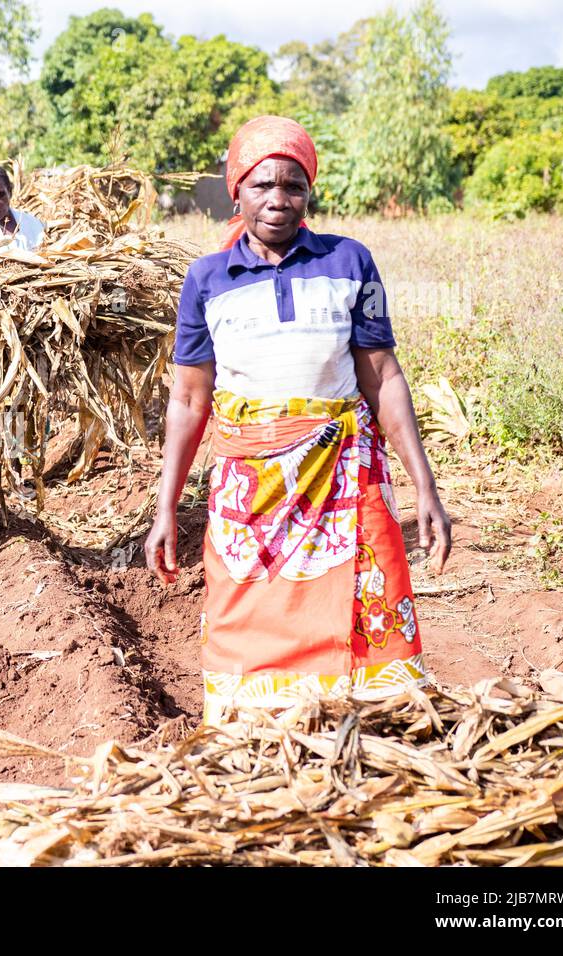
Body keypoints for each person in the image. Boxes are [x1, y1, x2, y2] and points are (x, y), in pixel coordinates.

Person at [142, 115, 452, 726]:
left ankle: (365, 743)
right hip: (249, 492)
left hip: (344, 481)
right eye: (262, 187)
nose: (278, 201)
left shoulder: (350, 262)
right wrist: (164, 509)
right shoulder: (207, 280)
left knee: (368, 634)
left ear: (309, 191)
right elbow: (188, 400)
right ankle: (254, 752)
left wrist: (427, 487)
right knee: (244, 629)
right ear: (236, 191)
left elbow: (383, 377)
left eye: (293, 186)